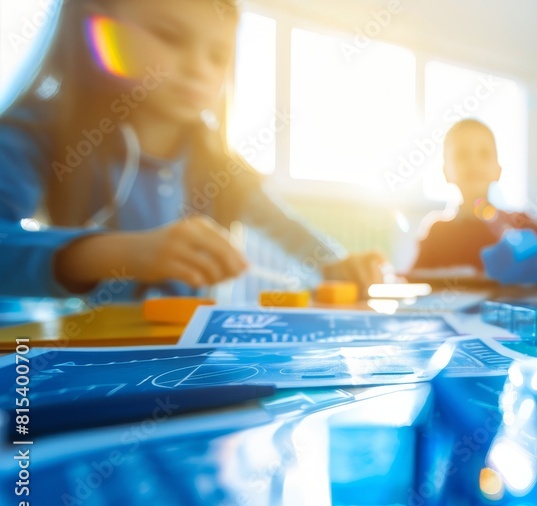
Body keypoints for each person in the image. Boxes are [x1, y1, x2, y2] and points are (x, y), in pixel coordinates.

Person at [0, 0, 387, 301]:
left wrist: (338, 262)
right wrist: (121, 254)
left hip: (187, 361)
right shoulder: (37, 130)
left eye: (218, 56)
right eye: (170, 36)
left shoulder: (219, 165)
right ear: (98, 28)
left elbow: (287, 228)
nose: (200, 68)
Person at [411, 119, 537, 272]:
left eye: (484, 154)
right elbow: (412, 281)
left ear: (498, 171)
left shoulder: (522, 224)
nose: (473, 162)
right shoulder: (436, 232)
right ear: (446, 172)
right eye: (462, 155)